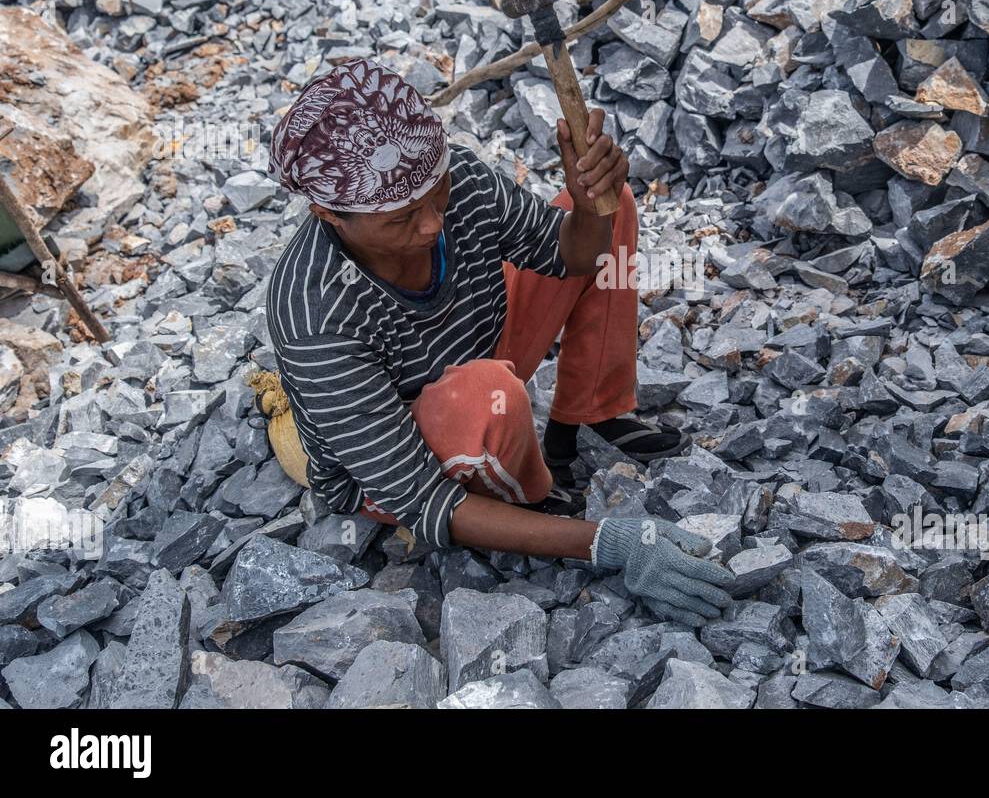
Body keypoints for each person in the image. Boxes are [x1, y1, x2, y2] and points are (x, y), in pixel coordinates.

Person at [263, 58, 733, 626]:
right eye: (401, 219)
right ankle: (534, 491)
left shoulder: (457, 183)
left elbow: (574, 256)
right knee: (490, 395)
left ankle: (584, 414)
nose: (433, 224)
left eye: (437, 195)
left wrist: (588, 203)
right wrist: (607, 543)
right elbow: (423, 499)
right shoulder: (312, 306)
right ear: (329, 214)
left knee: (614, 208)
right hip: (403, 453)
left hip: (481, 356)